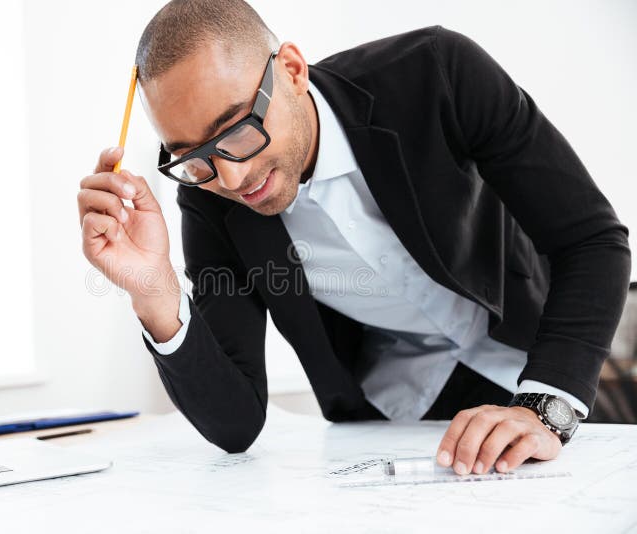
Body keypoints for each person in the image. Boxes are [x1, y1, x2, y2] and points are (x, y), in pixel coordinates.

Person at [77, 0, 630, 476]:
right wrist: (155, 291)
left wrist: (544, 406)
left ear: (291, 69)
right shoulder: (208, 195)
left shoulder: (437, 71)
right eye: (192, 158)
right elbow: (236, 423)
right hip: (395, 422)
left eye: (238, 131)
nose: (231, 179)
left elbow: (591, 239)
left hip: (538, 366)